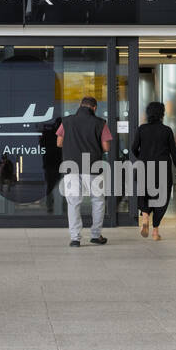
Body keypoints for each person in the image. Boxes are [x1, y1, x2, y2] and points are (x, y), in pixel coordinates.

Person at [56, 96, 113, 246]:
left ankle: (75, 238)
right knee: (98, 200)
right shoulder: (100, 123)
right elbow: (106, 147)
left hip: (71, 167)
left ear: (80, 105)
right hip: (92, 166)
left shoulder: (67, 121)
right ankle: (95, 235)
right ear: (94, 108)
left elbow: (59, 142)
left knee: (73, 202)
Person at [131, 101, 176, 240]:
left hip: (144, 167)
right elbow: (174, 153)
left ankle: (144, 219)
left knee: (144, 194)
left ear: (148, 114)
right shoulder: (166, 130)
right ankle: (155, 232)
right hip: (162, 168)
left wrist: (141, 157)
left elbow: (133, 148)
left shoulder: (141, 129)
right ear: (162, 114)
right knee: (161, 199)